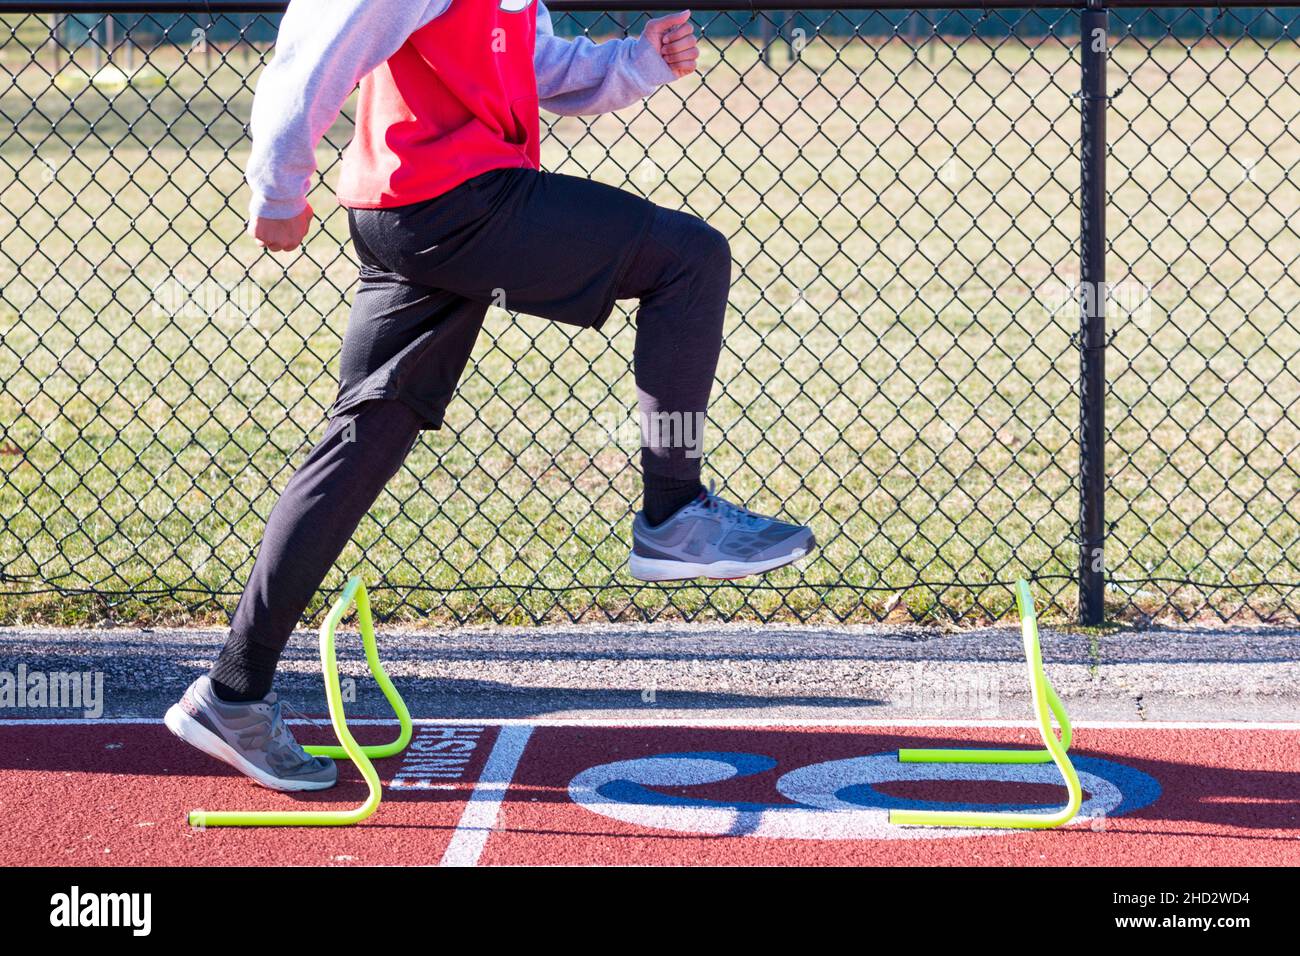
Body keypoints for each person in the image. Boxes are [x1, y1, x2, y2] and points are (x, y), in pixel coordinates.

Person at [165, 0, 816, 792]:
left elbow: (533, 67)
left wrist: (638, 61)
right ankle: (674, 510)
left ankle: (233, 692)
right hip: (452, 206)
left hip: (429, 211)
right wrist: (276, 190)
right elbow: (314, 49)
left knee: (366, 438)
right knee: (688, 258)